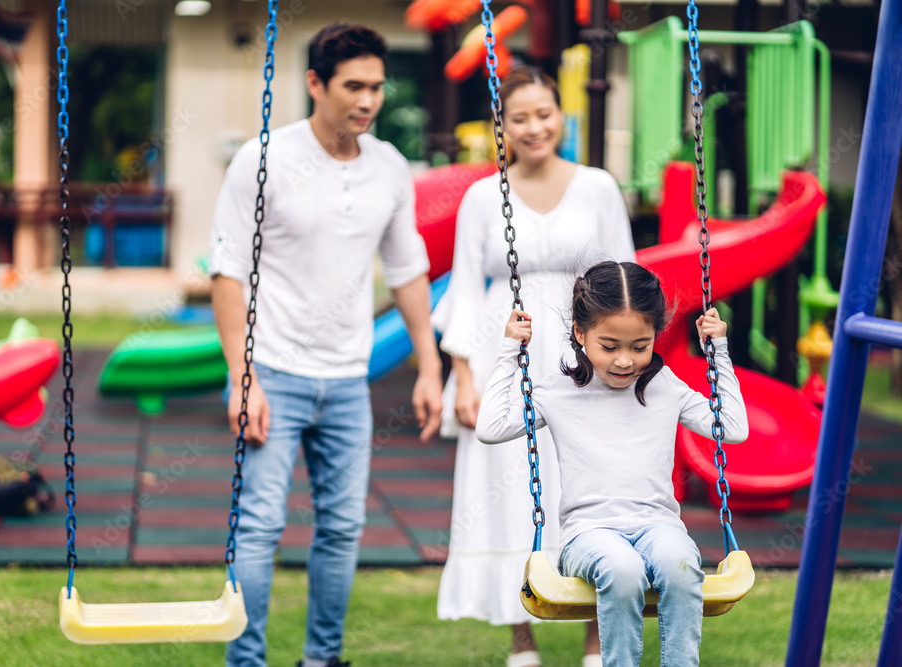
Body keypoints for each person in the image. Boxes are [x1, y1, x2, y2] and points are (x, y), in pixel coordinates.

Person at [209, 23, 444, 667]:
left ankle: (323, 658)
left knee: (341, 531)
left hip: (347, 381)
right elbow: (226, 272)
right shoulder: (264, 160)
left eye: (376, 86)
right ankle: (246, 661)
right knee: (259, 528)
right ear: (315, 83)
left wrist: (429, 365)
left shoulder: (390, 167)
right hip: (275, 373)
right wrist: (243, 376)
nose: (368, 100)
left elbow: (408, 273)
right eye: (353, 87)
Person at [433, 66, 634, 667]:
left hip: (583, 356)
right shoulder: (480, 196)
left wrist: (620, 363)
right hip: (507, 353)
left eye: (543, 113)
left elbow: (622, 279)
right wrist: (464, 380)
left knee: (590, 488)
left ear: (561, 115)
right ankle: (521, 638)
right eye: (518, 118)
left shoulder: (597, 187)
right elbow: (465, 292)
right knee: (505, 493)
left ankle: (597, 641)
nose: (533, 127)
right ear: (503, 126)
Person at [476, 261, 750, 667]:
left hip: (657, 526)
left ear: (655, 336)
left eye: (640, 346)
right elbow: (491, 427)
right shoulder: (558, 392)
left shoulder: (664, 387)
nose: (625, 360)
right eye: (610, 346)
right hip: (589, 534)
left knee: (681, 565)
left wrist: (719, 352)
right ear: (580, 333)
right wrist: (508, 352)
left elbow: (732, 427)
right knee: (622, 570)